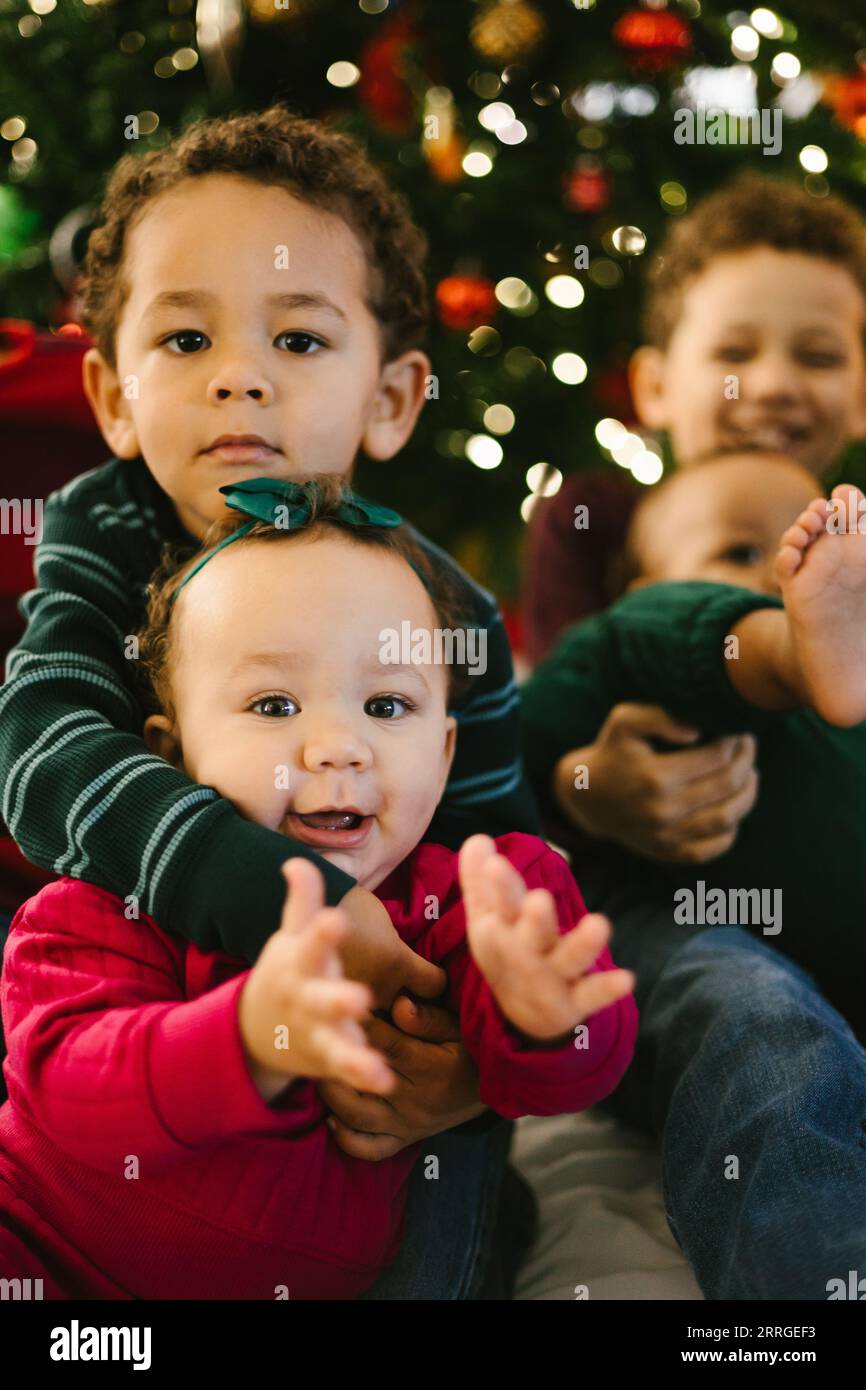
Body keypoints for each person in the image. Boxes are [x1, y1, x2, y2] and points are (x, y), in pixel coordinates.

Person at [0, 105, 542, 1297]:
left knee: (461, 1184)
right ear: (112, 394)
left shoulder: (442, 617)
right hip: (117, 975)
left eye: (297, 343)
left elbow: (488, 855)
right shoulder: (105, 525)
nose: (238, 373)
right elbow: (45, 756)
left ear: (393, 398)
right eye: (185, 341)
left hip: (366, 1037)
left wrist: (460, 1059)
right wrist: (281, 901)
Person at [0, 477, 637, 1299]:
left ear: (445, 755)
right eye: (273, 703)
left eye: (385, 703)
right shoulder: (103, 908)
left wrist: (551, 1020)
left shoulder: (477, 900)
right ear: (169, 749)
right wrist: (248, 1036)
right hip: (51, 1257)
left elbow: (573, 1077)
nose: (338, 746)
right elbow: (70, 1092)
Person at [521, 453, 866, 1297]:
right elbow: (523, 741)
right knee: (769, 1039)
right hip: (691, 945)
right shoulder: (613, 655)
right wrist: (581, 778)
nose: (776, 569)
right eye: (739, 551)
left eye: (795, 546)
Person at [522, 171, 866, 871]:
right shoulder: (595, 524)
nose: (772, 386)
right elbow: (558, 711)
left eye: (819, 356)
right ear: (654, 386)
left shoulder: (853, 545)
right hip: (663, 897)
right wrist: (583, 790)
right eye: (733, 355)